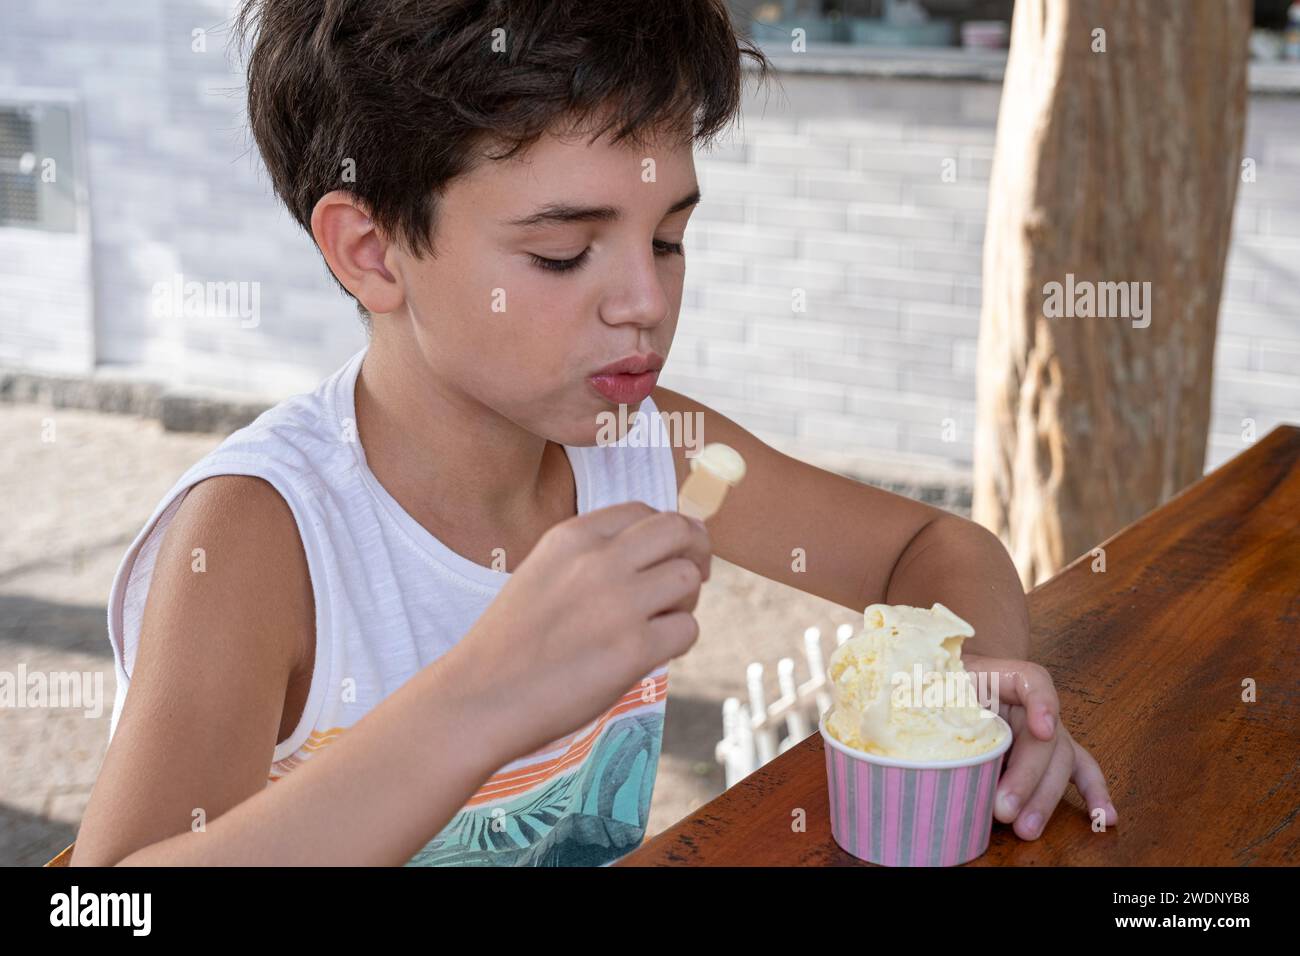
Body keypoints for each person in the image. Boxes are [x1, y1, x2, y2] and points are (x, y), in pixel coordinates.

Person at [70, 0, 1115, 866]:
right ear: (371, 250)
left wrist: (956, 697)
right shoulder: (262, 537)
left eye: (667, 239)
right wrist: (484, 694)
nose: (643, 303)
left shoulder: (649, 448)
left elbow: (933, 547)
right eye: (565, 252)